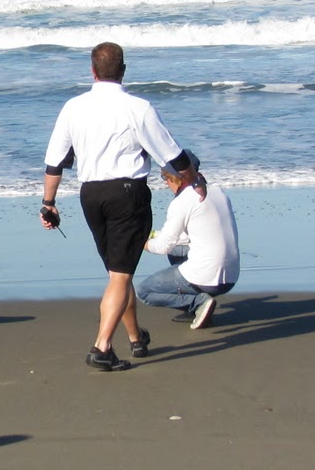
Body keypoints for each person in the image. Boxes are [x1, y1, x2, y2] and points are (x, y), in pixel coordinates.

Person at [40, 41, 196, 370]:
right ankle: (102, 347)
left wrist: (48, 203)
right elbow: (172, 154)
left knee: (117, 274)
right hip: (127, 193)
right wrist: (195, 181)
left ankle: (137, 338)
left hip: (91, 195)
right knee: (121, 275)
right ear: (123, 70)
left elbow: (54, 163)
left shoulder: (73, 107)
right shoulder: (137, 107)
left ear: (92, 71)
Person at [136, 157, 239, 330]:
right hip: (231, 276)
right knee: (175, 251)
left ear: (177, 177)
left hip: (208, 277)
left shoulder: (182, 201)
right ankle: (200, 305)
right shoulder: (218, 192)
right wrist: (154, 236)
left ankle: (197, 303)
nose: (166, 183)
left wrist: (138, 241)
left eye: (166, 177)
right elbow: (182, 239)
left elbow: (162, 246)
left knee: (144, 291)